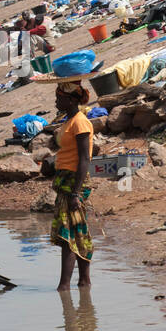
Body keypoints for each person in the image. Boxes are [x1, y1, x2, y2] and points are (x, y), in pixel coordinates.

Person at [49, 82, 94, 291]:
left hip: (75, 183)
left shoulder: (80, 123)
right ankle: (84, 282)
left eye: (59, 97)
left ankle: (63, 286)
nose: (57, 101)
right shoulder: (68, 122)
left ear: (71, 100)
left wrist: (76, 192)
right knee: (78, 231)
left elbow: (85, 158)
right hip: (67, 182)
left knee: (67, 236)